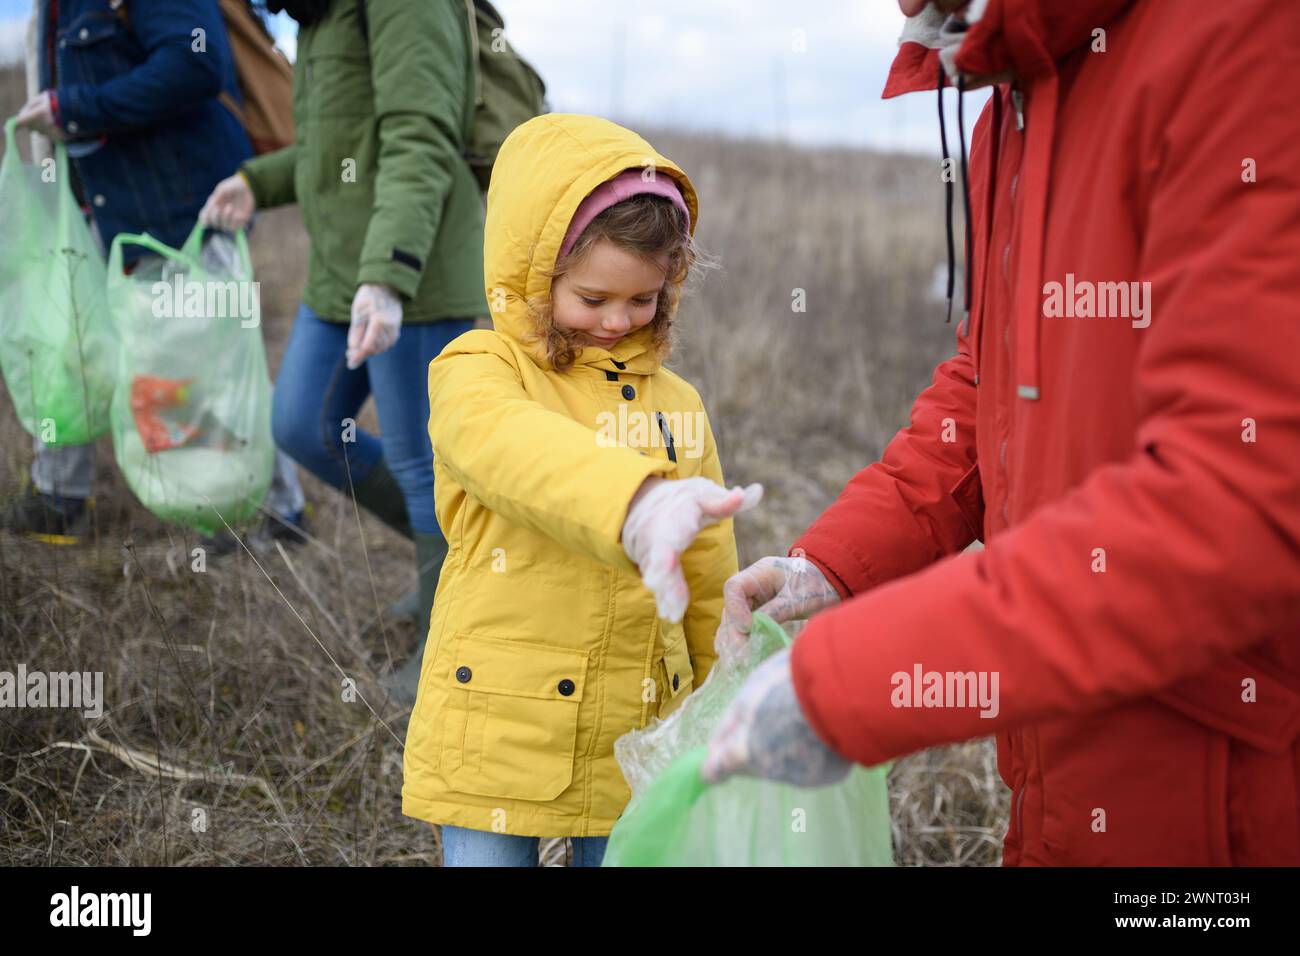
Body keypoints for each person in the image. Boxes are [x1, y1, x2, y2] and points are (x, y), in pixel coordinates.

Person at [705, 0, 1300, 866]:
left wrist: (852, 683)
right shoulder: (1009, 111)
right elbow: (989, 384)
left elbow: (1233, 500)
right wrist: (832, 566)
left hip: (1217, 778)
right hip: (1053, 741)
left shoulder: (1239, 39)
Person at [400, 113, 762, 867]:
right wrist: (637, 503)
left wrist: (722, 688)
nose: (618, 321)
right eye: (592, 299)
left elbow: (705, 573)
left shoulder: (678, 405)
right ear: (533, 273)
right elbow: (510, 450)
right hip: (497, 719)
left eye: (643, 301)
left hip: (634, 724)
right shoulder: (480, 371)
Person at [201, 0, 488, 699]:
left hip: (412, 275)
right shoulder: (320, 14)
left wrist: (389, 275)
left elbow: (419, 137)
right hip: (340, 272)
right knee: (302, 425)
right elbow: (341, 145)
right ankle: (456, 564)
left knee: (426, 464)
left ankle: (451, 637)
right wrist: (257, 180)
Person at [3, 0, 307, 549]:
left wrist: (75, 108)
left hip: (178, 201)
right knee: (78, 341)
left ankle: (276, 510)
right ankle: (59, 494)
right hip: (102, 204)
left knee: (209, 354)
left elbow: (195, 62)